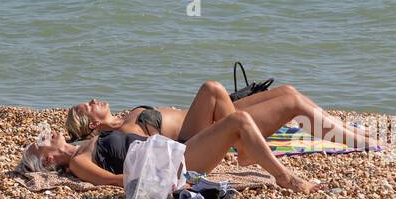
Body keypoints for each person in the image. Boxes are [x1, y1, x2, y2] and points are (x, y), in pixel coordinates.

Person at [19, 110, 321, 194]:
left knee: (214, 90)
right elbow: (117, 181)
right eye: (42, 140)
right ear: (48, 158)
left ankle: (251, 152)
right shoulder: (81, 163)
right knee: (238, 120)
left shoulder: (88, 141)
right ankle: (286, 179)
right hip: (177, 163)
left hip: (173, 150)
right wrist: (173, 183)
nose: (48, 134)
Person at [64, 81, 377, 151]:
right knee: (212, 89)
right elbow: (158, 152)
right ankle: (359, 142)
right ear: (92, 123)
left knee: (289, 92)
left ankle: (352, 135)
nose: (93, 100)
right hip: (210, 132)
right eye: (87, 106)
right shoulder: (123, 132)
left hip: (219, 117)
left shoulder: (127, 118)